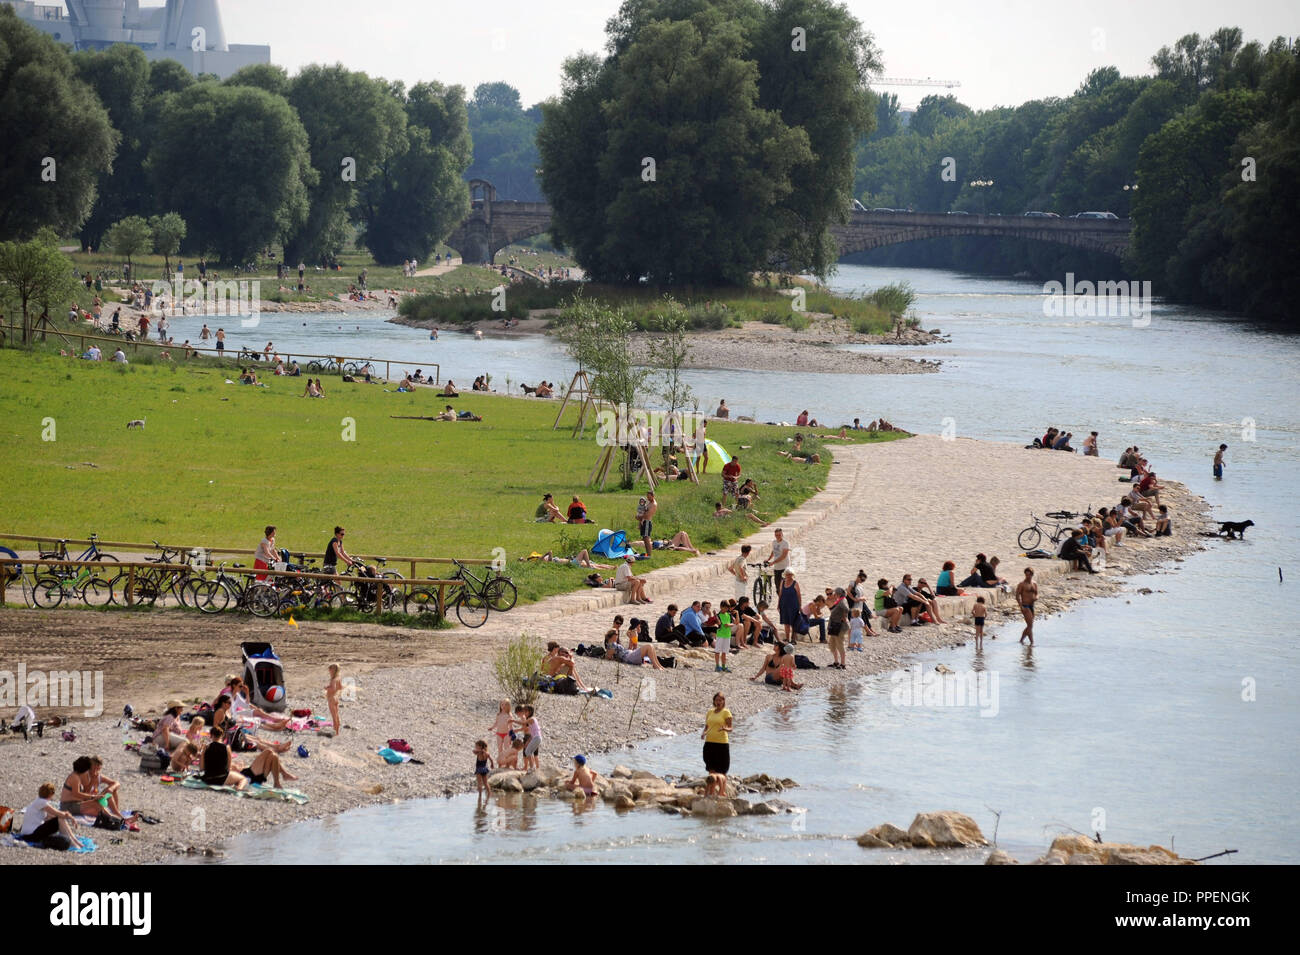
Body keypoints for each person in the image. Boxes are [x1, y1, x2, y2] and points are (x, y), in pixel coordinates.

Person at [18, 782, 84, 850]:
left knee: (59, 819)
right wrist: (72, 818)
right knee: (59, 818)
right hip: (31, 835)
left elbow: (52, 815)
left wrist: (64, 818)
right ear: (50, 794)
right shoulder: (42, 803)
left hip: (30, 833)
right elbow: (58, 813)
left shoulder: (38, 801)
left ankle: (75, 841)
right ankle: (73, 843)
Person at [701, 693, 733, 790]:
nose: (718, 702)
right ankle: (711, 790)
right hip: (709, 743)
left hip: (722, 744)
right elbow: (707, 726)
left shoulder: (726, 712)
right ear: (714, 701)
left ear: (723, 701)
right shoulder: (710, 712)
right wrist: (704, 733)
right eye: (716, 700)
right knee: (711, 768)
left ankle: (722, 791)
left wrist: (725, 729)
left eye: (720, 700)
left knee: (721, 770)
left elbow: (730, 728)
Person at [603, 629, 669, 669]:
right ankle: (656, 666)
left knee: (651, 647)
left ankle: (658, 665)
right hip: (629, 657)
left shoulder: (612, 644)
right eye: (616, 634)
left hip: (629, 655)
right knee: (649, 646)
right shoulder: (612, 644)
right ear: (612, 635)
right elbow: (608, 656)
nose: (617, 636)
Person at [776, 570, 802, 644]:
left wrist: (800, 606)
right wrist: (778, 604)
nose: (789, 576)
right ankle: (787, 639)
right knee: (786, 622)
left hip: (793, 606)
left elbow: (799, 595)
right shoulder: (782, 582)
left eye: (790, 574)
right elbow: (780, 593)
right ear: (785, 575)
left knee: (793, 623)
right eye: (787, 574)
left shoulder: (795, 583)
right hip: (784, 605)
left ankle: (793, 639)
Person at [1015, 568, 1038, 645]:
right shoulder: (1022, 584)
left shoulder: (1034, 583)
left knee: (1029, 625)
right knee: (1030, 625)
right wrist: (1021, 606)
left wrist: (1036, 597)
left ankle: (1022, 641)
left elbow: (1037, 593)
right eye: (1026, 574)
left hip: (1032, 605)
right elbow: (1017, 596)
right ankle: (1032, 642)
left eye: (1029, 575)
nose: (1027, 576)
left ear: (1032, 575)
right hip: (1025, 606)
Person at [514, 705, 541, 773]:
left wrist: (513, 720)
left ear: (530, 712)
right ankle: (533, 767)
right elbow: (533, 733)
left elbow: (523, 723)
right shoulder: (531, 720)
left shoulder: (531, 719)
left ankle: (532, 767)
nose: (524, 713)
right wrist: (528, 741)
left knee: (527, 752)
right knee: (530, 752)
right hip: (535, 737)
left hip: (536, 738)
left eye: (525, 711)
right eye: (524, 711)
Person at [827, 593, 850, 667]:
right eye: (828, 593)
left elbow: (846, 609)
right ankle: (836, 662)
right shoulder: (837, 601)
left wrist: (844, 617)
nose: (831, 595)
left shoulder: (842, 601)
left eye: (833, 593)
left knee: (840, 644)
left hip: (839, 626)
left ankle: (843, 663)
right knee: (832, 644)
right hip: (834, 626)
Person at [636, 491, 657, 559]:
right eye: (647, 496)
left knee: (646, 538)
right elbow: (644, 512)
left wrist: (639, 517)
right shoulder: (649, 503)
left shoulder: (653, 504)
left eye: (649, 496)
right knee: (644, 538)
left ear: (652, 496)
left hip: (647, 522)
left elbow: (647, 515)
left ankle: (649, 555)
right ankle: (648, 554)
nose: (647, 498)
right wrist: (640, 521)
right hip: (644, 522)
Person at [714, 603, 733, 672]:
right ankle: (717, 666)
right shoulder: (718, 615)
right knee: (717, 651)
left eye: (727, 608)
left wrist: (729, 625)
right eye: (724, 608)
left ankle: (723, 666)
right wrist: (715, 616)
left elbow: (733, 623)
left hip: (727, 635)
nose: (726, 609)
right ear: (721, 607)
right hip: (720, 635)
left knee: (724, 652)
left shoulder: (728, 614)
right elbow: (721, 624)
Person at [326, 663, 344, 736]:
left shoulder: (333, 680)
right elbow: (340, 687)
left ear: (332, 671)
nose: (329, 672)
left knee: (334, 716)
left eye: (329, 670)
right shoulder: (338, 678)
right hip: (336, 698)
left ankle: (336, 732)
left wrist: (327, 688)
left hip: (331, 699)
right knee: (336, 715)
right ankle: (337, 731)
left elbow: (333, 689)